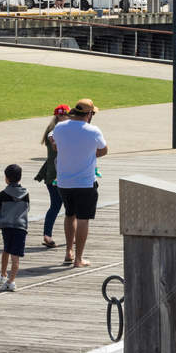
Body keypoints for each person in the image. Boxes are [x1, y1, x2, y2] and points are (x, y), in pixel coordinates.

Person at [49, 97, 106, 267]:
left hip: (64, 181)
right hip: (85, 182)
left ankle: (68, 251)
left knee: (69, 214)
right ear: (89, 114)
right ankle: (78, 259)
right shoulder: (93, 131)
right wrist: (88, 154)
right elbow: (104, 150)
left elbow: (53, 142)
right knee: (83, 219)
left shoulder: (59, 127)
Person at [33, 104, 71, 250]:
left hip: (51, 174)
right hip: (59, 174)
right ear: (62, 116)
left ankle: (48, 234)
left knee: (56, 205)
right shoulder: (57, 132)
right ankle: (62, 235)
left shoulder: (52, 130)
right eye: (66, 115)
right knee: (64, 206)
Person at [0, 164, 31, 291]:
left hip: (7, 227)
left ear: (6, 178)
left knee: (6, 249)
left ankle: (3, 274)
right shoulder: (26, 193)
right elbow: (27, 208)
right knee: (16, 256)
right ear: (20, 178)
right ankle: (11, 281)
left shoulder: (2, 194)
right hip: (21, 227)